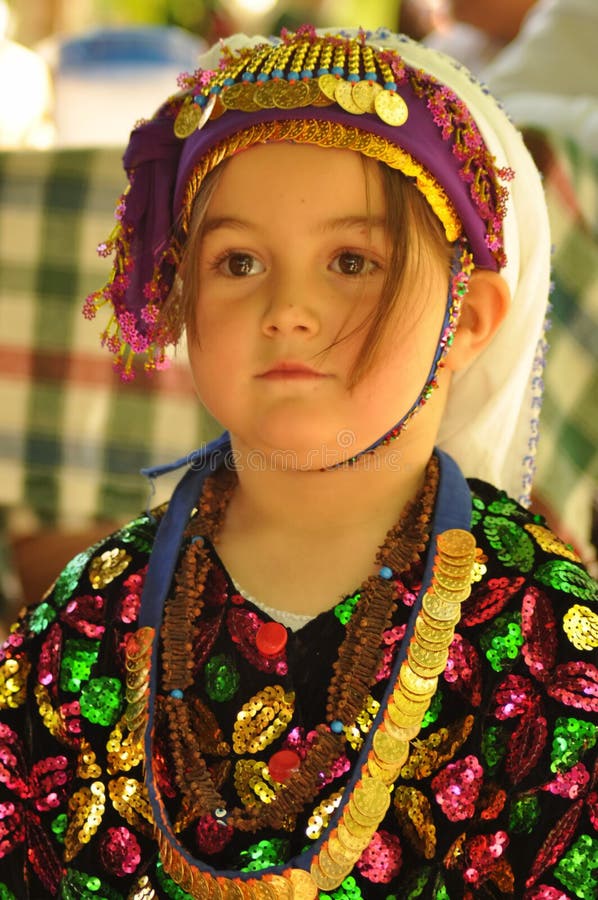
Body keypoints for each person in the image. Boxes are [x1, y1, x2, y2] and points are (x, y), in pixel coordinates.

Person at [0, 25, 596, 900]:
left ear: (468, 323)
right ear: (179, 297)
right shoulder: (90, 617)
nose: (288, 309)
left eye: (351, 262)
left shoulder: (542, 639)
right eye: (238, 262)